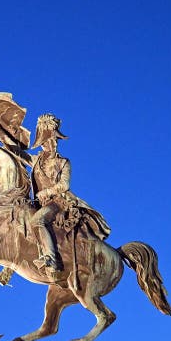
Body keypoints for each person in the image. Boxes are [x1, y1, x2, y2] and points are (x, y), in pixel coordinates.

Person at [30, 114, 110, 282]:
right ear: (42, 142)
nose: (53, 144)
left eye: (55, 141)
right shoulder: (36, 160)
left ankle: (51, 259)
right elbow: (17, 154)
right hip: (41, 203)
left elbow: (64, 185)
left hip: (59, 203)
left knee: (37, 220)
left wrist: (47, 192)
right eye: (50, 140)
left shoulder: (64, 162)